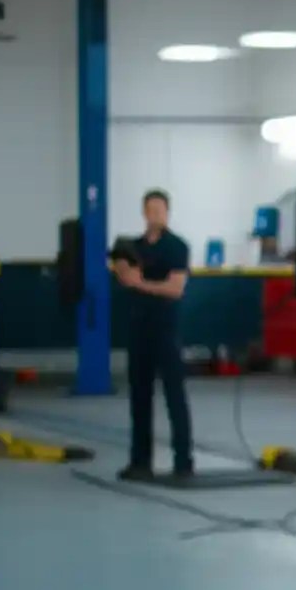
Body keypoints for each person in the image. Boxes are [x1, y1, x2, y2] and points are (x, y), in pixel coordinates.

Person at [114, 189, 194, 480]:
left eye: (160, 210)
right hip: (139, 330)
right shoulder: (132, 247)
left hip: (166, 331)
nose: (155, 215)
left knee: (175, 396)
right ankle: (140, 461)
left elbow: (175, 289)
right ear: (144, 212)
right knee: (139, 398)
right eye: (150, 210)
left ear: (167, 213)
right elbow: (121, 272)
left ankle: (183, 462)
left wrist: (141, 282)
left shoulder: (177, 247)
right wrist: (128, 275)